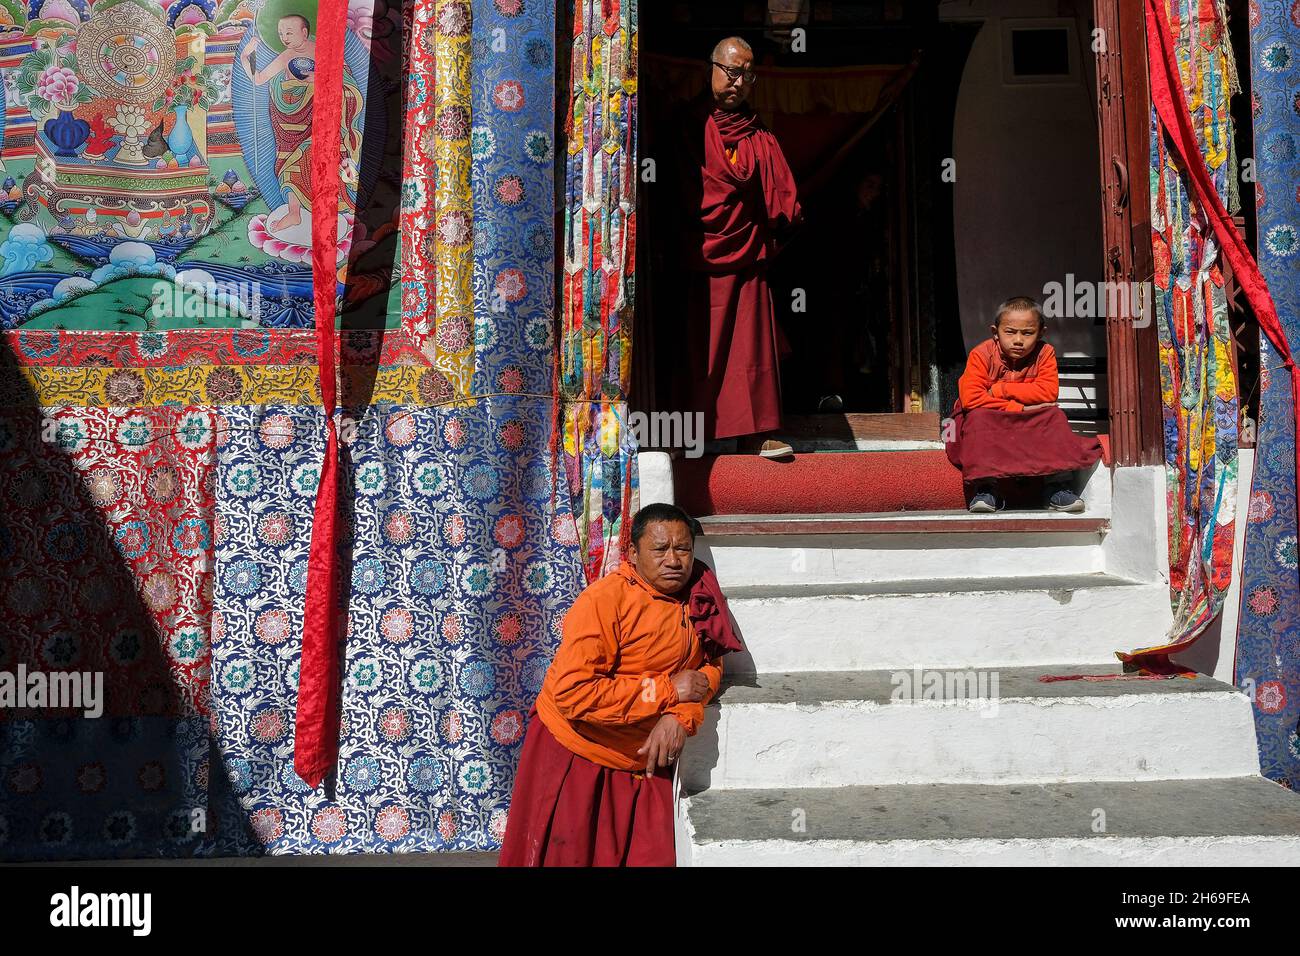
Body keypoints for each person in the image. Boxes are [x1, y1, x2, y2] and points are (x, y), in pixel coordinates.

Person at [498, 504, 727, 867]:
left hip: (645, 758)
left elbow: (709, 669)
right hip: (577, 750)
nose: (673, 560)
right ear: (633, 554)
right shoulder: (604, 601)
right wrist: (667, 691)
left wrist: (679, 717)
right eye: (659, 549)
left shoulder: (698, 595)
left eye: (682, 549)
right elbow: (575, 695)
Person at [676, 36, 803, 459]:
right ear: (709, 68)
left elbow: (782, 198)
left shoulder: (757, 133)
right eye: (732, 72)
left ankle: (758, 433)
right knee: (700, 348)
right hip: (699, 255)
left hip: (746, 255)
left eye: (749, 75)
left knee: (750, 347)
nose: (740, 83)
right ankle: (688, 436)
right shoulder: (687, 126)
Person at [945, 296, 1103, 513]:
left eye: (1027, 333)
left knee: (1053, 416)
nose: (1018, 340)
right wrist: (1018, 408)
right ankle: (986, 488)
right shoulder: (981, 354)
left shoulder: (1044, 353)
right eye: (1010, 332)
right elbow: (972, 398)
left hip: (1021, 414)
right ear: (995, 332)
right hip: (989, 417)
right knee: (978, 417)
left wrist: (1001, 390)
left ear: (1041, 333)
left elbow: (1048, 392)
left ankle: (1056, 486)